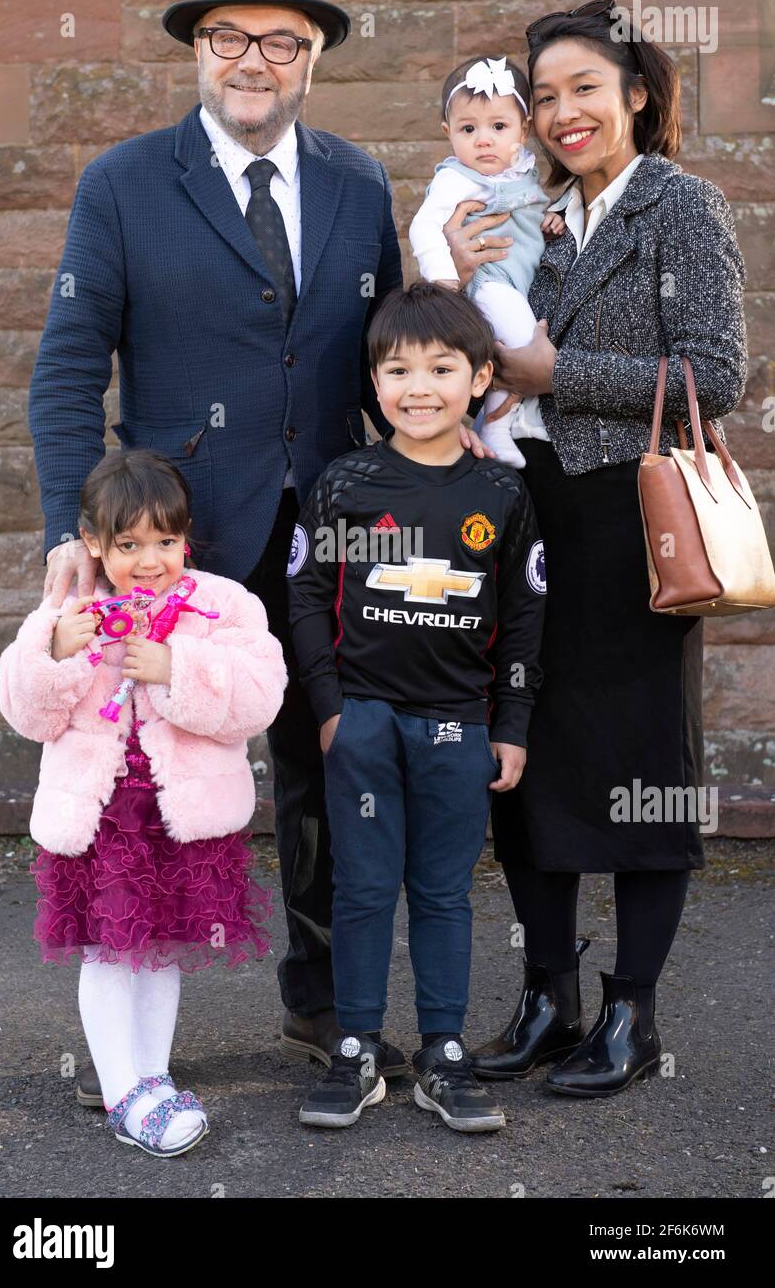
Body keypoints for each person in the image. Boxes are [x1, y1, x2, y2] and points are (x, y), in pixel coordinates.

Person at [27, 0, 410, 1092]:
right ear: (199, 49)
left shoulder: (357, 182)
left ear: (312, 62)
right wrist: (70, 535)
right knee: (135, 782)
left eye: (280, 41)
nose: (254, 59)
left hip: (331, 537)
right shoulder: (124, 182)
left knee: (332, 772)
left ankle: (328, 1011)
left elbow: (387, 357)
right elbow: (65, 371)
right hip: (172, 545)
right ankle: (131, 1048)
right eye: (229, 37)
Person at [443, 0, 747, 1096]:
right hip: (524, 523)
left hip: (632, 526)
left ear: (634, 95)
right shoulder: (526, 212)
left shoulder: (680, 206)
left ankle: (631, 1013)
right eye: (545, 97)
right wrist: (447, 274)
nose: (563, 113)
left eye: (584, 89)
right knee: (521, 752)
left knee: (639, 766)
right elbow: (460, 351)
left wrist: (554, 376)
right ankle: (544, 997)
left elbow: (715, 377)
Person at [287, 282, 546, 1131]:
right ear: (374, 380)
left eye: (442, 368)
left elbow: (524, 619)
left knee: (442, 893)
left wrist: (508, 726)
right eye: (397, 369)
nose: (419, 386)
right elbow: (306, 594)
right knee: (361, 890)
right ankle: (357, 1048)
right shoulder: (346, 484)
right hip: (363, 722)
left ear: (479, 380)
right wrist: (330, 709)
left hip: (456, 729)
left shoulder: (500, 495)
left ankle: (444, 1051)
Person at [0, 449, 287, 1155]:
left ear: (186, 537)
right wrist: (55, 651)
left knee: (160, 951)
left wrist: (176, 668)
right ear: (93, 543)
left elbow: (261, 696)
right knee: (109, 951)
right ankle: (126, 1095)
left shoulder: (221, 605)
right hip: (104, 820)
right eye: (128, 545)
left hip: (177, 818)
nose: (150, 560)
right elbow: (25, 712)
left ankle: (152, 1079)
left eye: (166, 541)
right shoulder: (69, 611)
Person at [409, 54, 563, 468]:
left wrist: (551, 218)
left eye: (499, 127)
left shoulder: (523, 173)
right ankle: (494, 426)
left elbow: (530, 212)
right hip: (490, 282)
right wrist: (444, 282)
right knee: (524, 343)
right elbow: (423, 228)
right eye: (468, 129)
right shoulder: (457, 179)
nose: (483, 140)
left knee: (512, 347)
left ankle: (489, 428)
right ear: (448, 133)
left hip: (517, 280)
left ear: (524, 129)